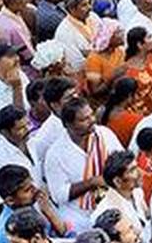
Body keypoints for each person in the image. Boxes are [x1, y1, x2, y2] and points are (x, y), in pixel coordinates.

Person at [44, 97, 124, 232]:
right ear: (68, 125)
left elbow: (122, 161)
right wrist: (91, 183)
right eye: (84, 119)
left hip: (112, 205)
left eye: (91, 115)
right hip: (78, 217)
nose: (92, 120)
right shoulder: (55, 154)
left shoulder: (105, 134)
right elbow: (59, 195)